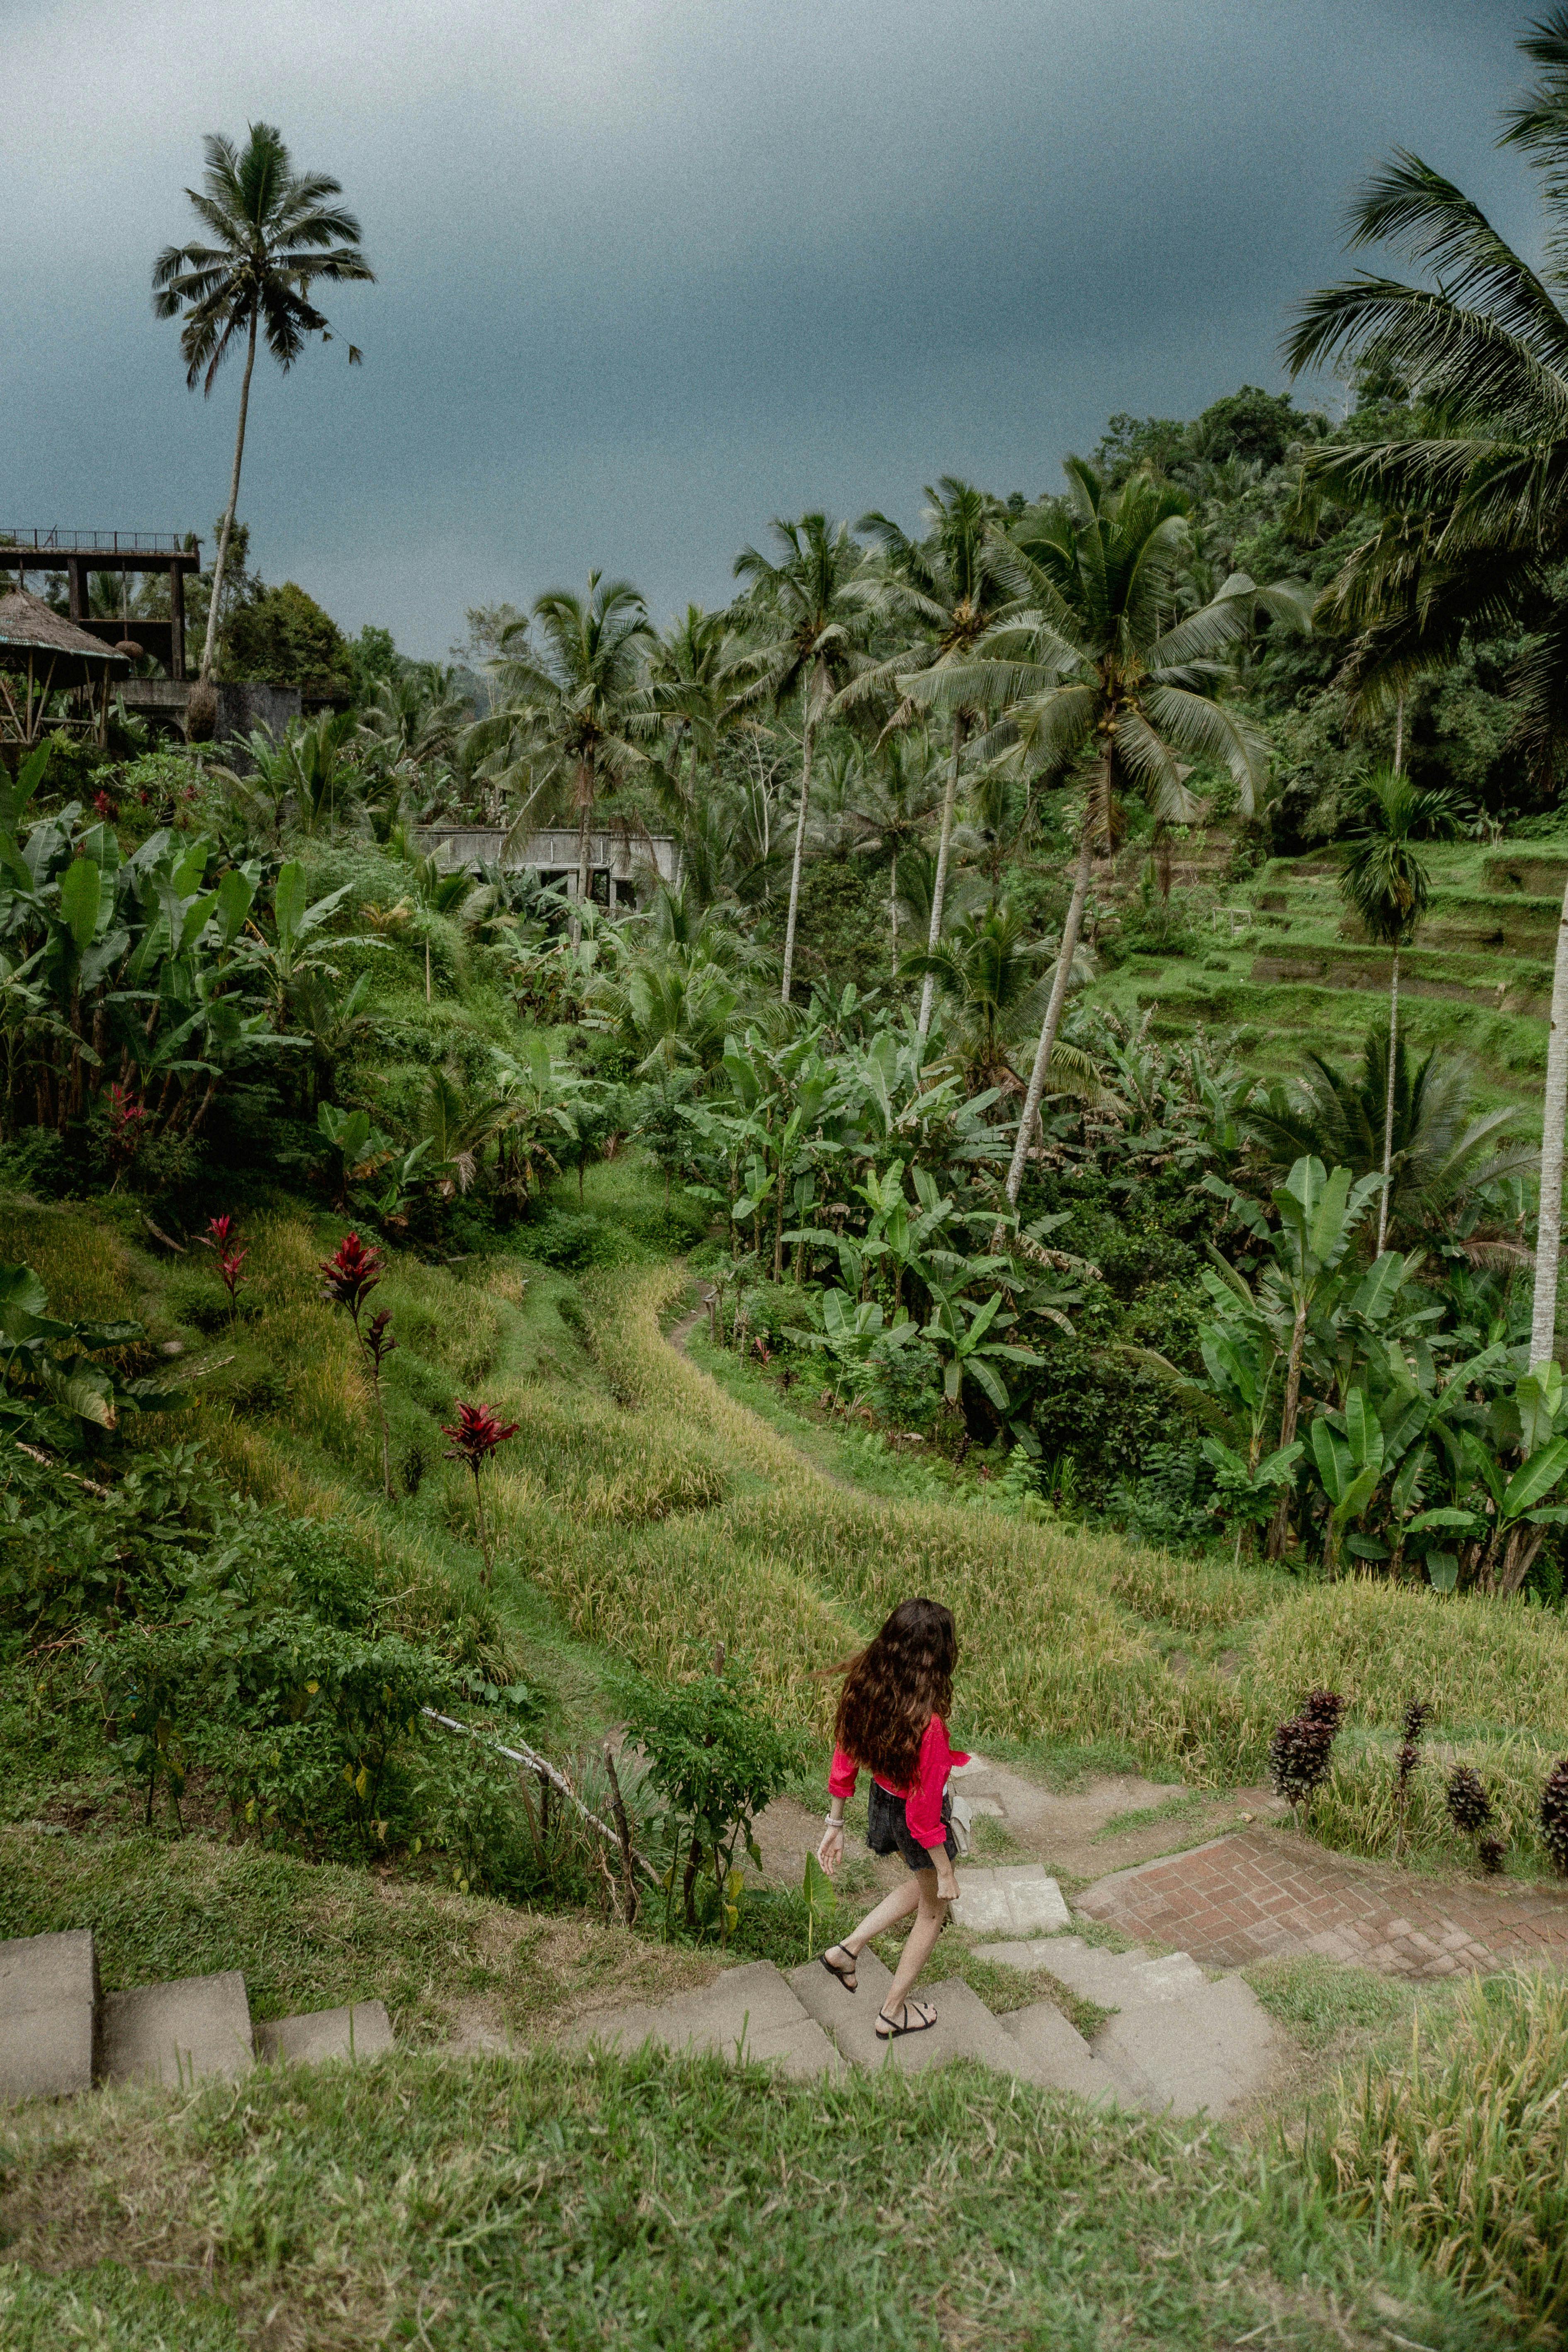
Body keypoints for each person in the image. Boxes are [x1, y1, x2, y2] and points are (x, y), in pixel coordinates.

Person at [815, 1596, 965, 2040]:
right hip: (915, 1818)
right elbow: (923, 1815)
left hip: (881, 1802)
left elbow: (845, 1754)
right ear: (937, 1656)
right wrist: (945, 1869)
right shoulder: (929, 1724)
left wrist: (836, 1823)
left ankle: (848, 1949)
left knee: (922, 1888)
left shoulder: (866, 1685)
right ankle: (893, 2012)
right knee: (934, 1908)